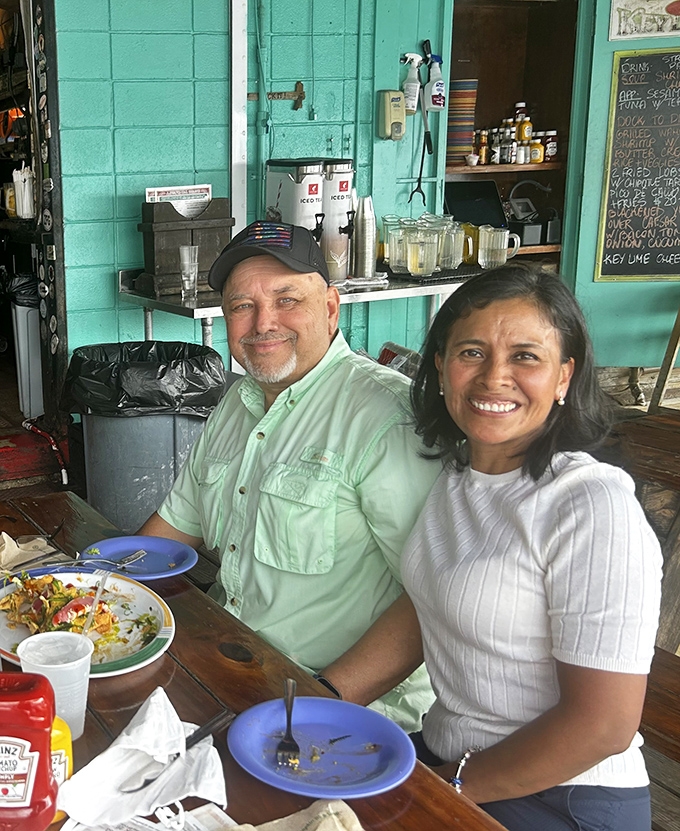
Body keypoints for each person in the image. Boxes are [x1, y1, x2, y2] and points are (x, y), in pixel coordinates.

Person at [321, 264, 662, 831]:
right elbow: (428, 606)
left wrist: (446, 789)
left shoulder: (590, 505)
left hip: (559, 793)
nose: (493, 377)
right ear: (440, 365)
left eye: (526, 356)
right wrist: (324, 699)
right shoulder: (460, 477)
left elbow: (602, 726)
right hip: (449, 758)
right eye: (471, 352)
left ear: (563, 377)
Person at [138, 220, 440, 731]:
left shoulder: (385, 418)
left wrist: (319, 705)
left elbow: (432, 602)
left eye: (286, 300)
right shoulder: (238, 399)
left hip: (344, 710)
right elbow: (171, 530)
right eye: (241, 306)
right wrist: (93, 595)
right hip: (233, 668)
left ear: (329, 307)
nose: (262, 323)